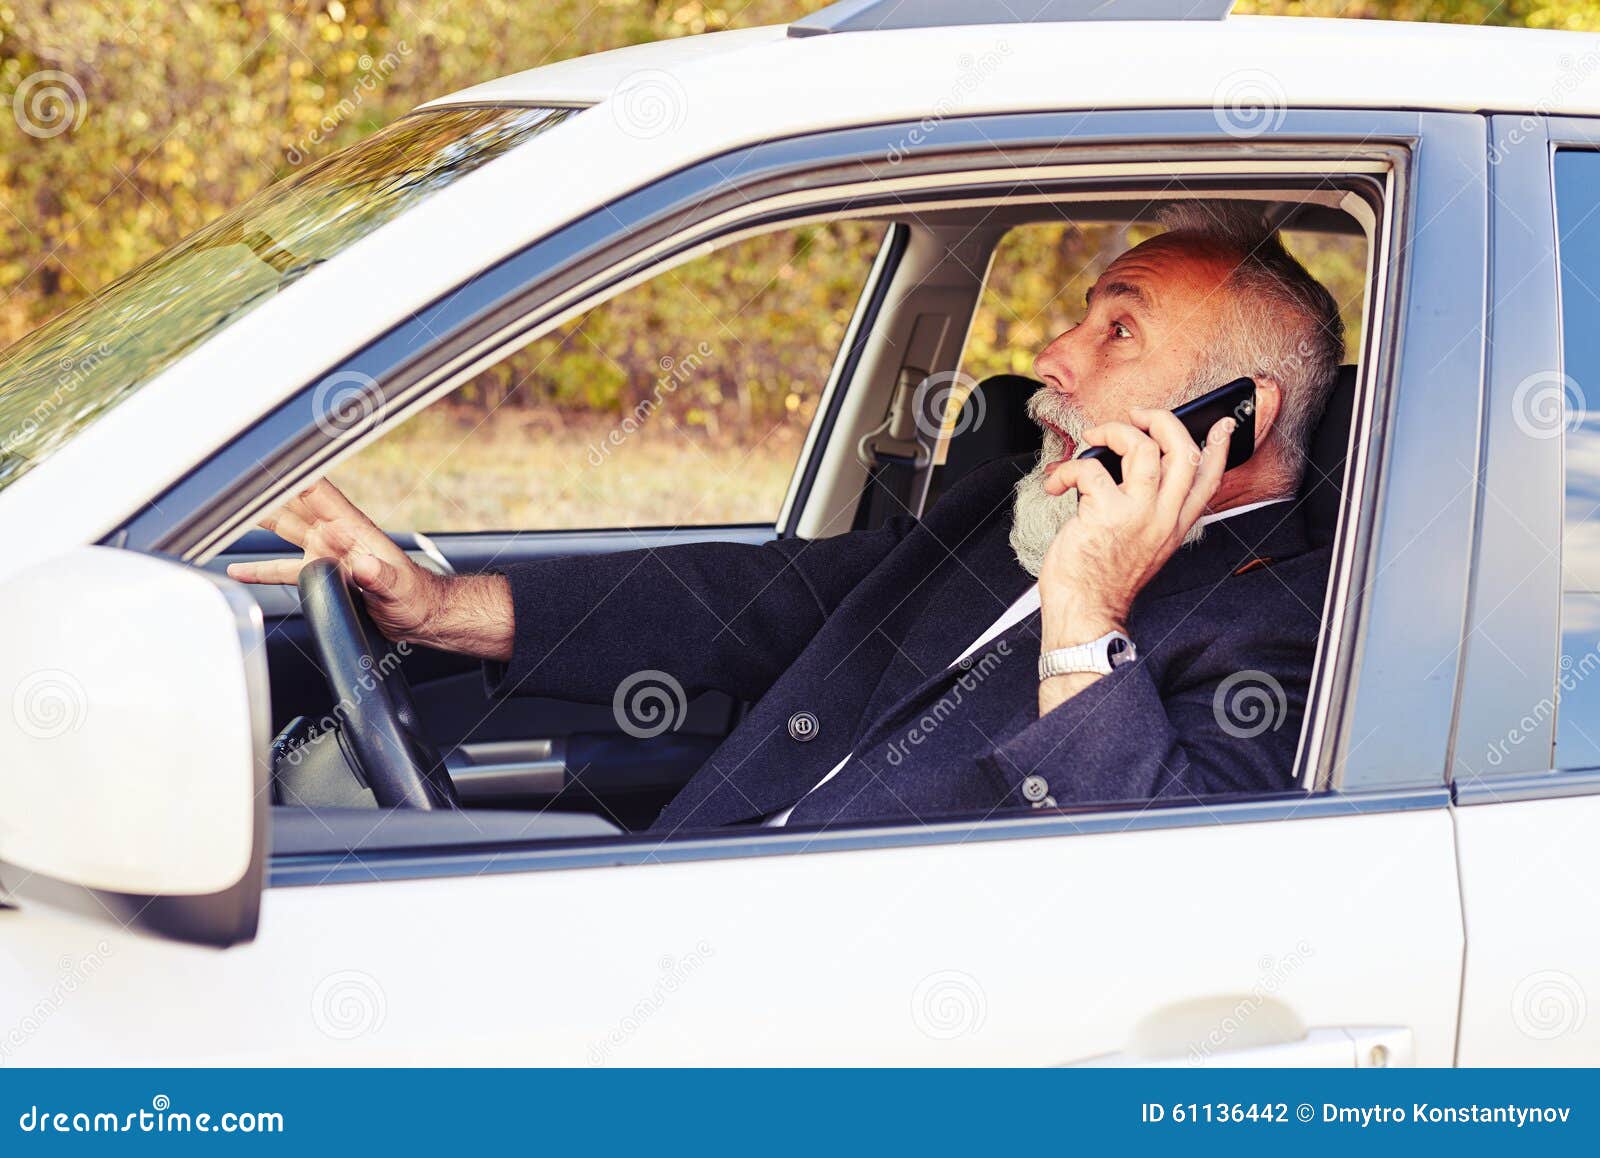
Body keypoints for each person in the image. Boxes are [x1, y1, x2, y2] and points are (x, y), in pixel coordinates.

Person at [230, 201, 1345, 831]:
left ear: (1235, 418)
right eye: (1080, 317)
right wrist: (437, 606)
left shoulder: (1297, 632)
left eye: (1119, 333)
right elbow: (756, 604)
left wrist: (1087, 608)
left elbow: (1156, 884)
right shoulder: (1000, 517)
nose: (1051, 355)